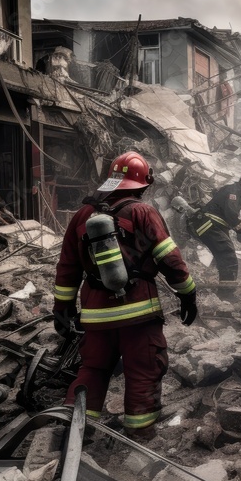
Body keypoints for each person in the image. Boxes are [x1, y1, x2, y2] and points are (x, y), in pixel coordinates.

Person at [52, 151, 197, 440]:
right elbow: (170, 259)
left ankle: (75, 433)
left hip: (95, 315)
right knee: (143, 370)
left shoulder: (83, 215)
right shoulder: (143, 212)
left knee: (92, 369)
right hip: (138, 313)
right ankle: (139, 435)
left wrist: (62, 308)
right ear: (142, 184)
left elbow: (67, 267)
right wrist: (188, 294)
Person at [187, 164, 241, 298]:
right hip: (208, 225)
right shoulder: (234, 192)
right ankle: (226, 295)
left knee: (225, 252)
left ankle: (212, 278)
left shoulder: (234, 189)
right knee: (228, 256)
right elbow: (231, 214)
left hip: (211, 225)